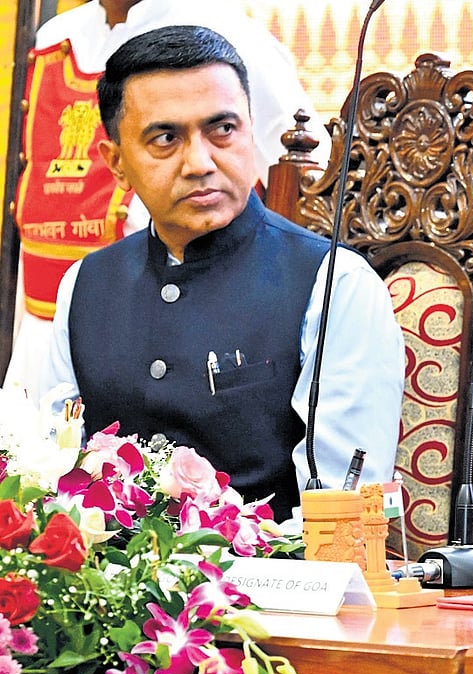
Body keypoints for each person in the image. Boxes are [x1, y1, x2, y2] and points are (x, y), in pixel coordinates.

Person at [41, 25, 403, 522]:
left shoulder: (335, 283)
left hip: (274, 591)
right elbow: (53, 475)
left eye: (223, 130)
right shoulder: (83, 286)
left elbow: (342, 515)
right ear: (117, 162)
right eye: (166, 138)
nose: (200, 162)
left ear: (252, 130)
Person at [7, 0, 330, 398]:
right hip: (56, 318)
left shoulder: (227, 33)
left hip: (192, 326)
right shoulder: (55, 36)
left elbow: (310, 177)